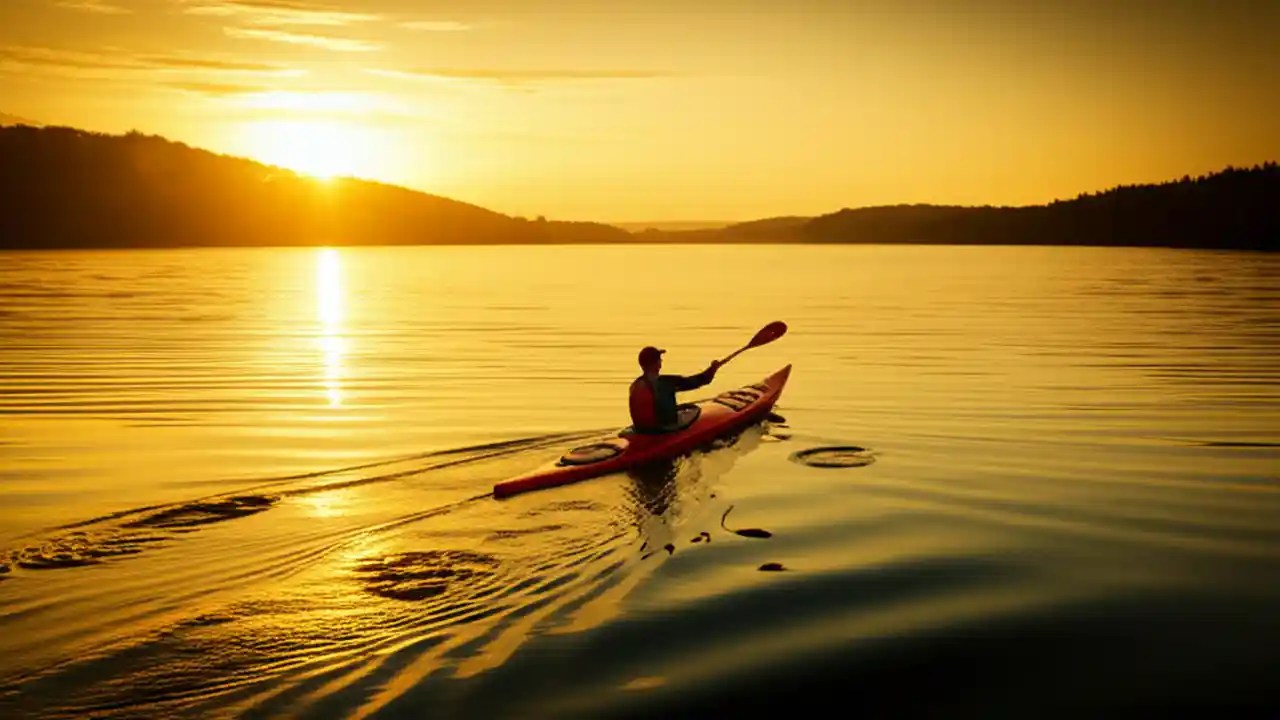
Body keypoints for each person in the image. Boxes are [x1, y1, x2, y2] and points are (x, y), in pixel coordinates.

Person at [628, 346, 721, 433]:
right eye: (659, 359)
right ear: (656, 364)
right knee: (695, 410)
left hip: (641, 430)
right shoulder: (666, 382)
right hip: (663, 429)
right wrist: (713, 369)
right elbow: (697, 381)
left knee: (683, 407)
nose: (661, 361)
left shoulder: (634, 385)